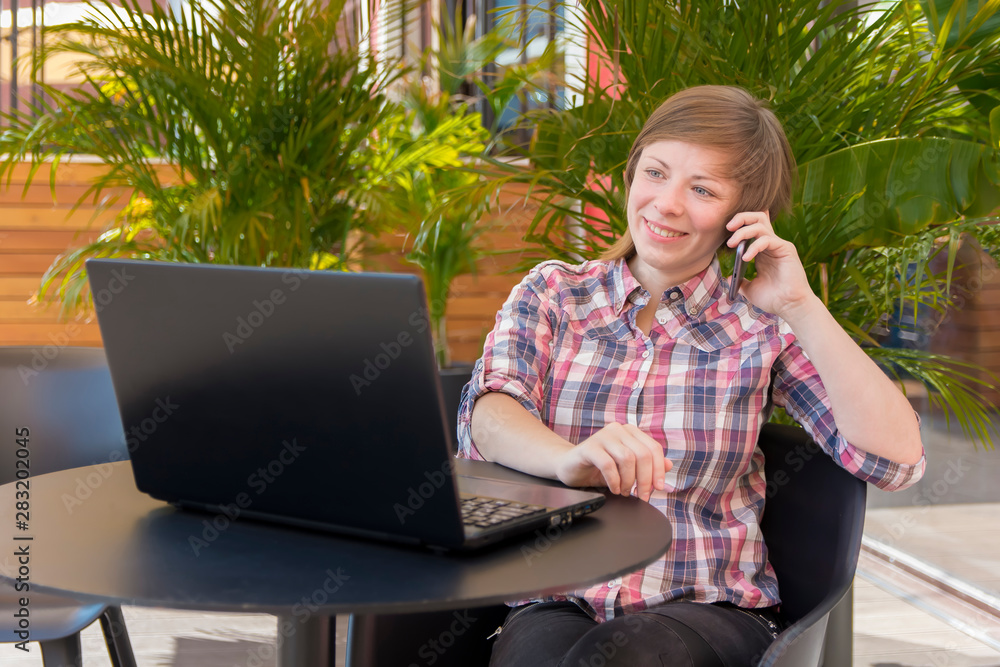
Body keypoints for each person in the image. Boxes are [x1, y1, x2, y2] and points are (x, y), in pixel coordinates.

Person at [456, 85, 926, 667]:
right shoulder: (553, 293)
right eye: (655, 172)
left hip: (709, 607)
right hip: (558, 597)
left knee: (621, 658)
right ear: (631, 176)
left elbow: (895, 461)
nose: (667, 203)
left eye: (702, 189)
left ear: (742, 217)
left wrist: (800, 305)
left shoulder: (761, 324)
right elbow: (488, 413)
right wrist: (565, 460)